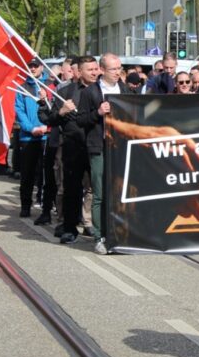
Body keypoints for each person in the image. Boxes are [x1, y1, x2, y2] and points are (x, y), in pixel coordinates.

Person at [39, 56, 99, 244]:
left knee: (97, 189)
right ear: (78, 72)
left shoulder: (103, 90)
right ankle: (69, 227)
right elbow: (49, 120)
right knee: (72, 188)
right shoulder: (65, 92)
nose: (95, 72)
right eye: (90, 70)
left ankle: (96, 227)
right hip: (73, 147)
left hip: (97, 146)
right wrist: (61, 112)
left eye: (96, 69)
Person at [77, 53, 132, 254]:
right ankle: (100, 236)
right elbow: (81, 120)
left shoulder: (124, 89)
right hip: (99, 147)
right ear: (102, 70)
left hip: (120, 147)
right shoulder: (90, 92)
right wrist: (98, 113)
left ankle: (119, 233)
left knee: (119, 191)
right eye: (113, 69)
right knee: (100, 192)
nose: (117, 72)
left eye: (119, 68)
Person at [14, 57, 49, 218]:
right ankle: (25, 205)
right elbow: (19, 112)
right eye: (30, 66)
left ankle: (45, 207)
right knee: (27, 174)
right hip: (28, 138)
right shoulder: (23, 88)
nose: (33, 69)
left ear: (42, 67)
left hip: (46, 137)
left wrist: (46, 127)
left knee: (46, 175)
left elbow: (54, 108)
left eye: (35, 66)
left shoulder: (50, 86)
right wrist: (31, 128)